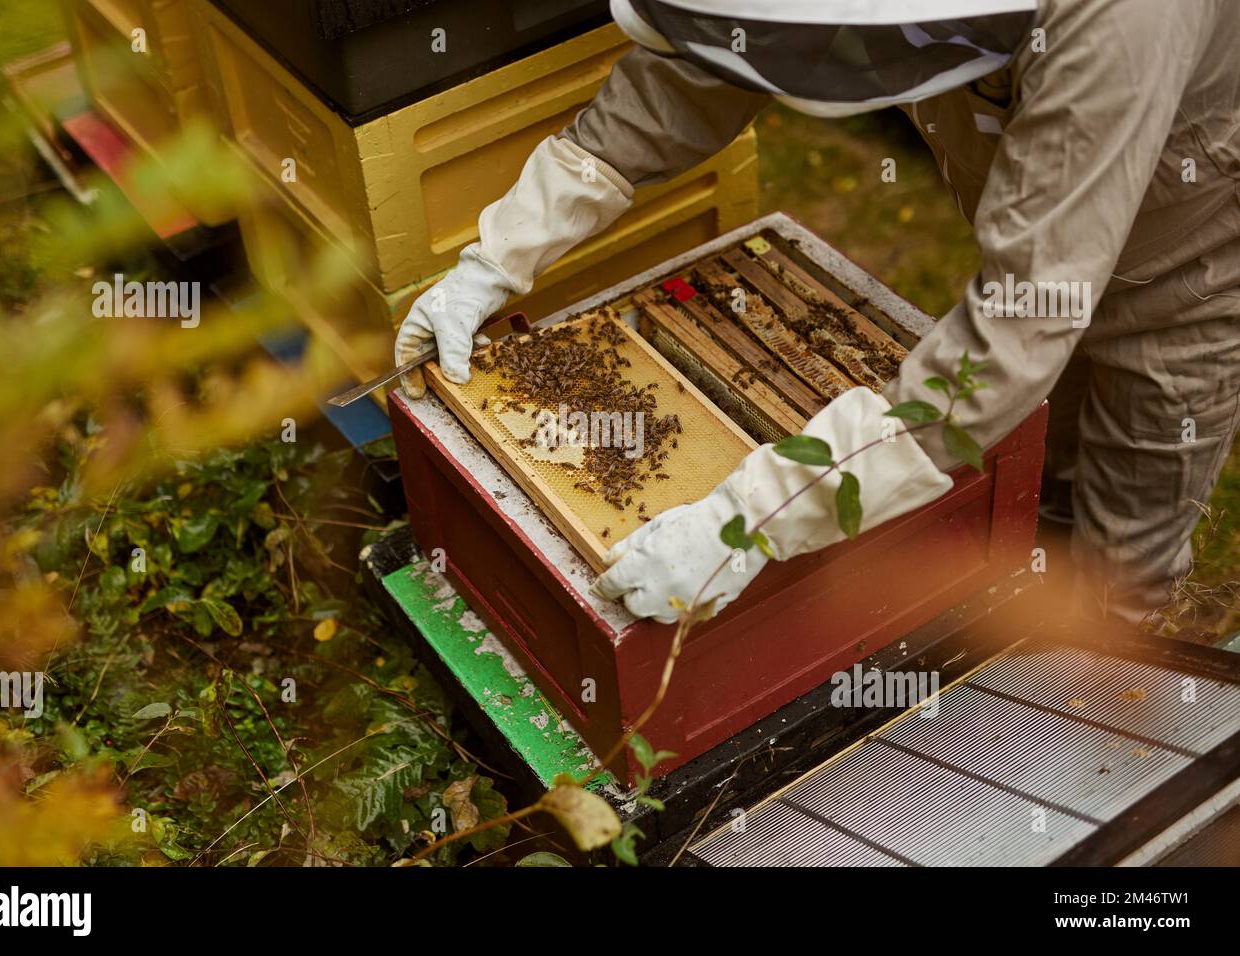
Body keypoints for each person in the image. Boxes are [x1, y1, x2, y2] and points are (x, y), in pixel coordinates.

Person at [394, 0, 1240, 626]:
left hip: (1187, 276)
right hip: (1052, 246)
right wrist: (500, 256)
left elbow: (1020, 327)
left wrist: (750, 519)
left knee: (1120, 567)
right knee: (1033, 487)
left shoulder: (1122, 17)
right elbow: (706, 65)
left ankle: (1103, 770)